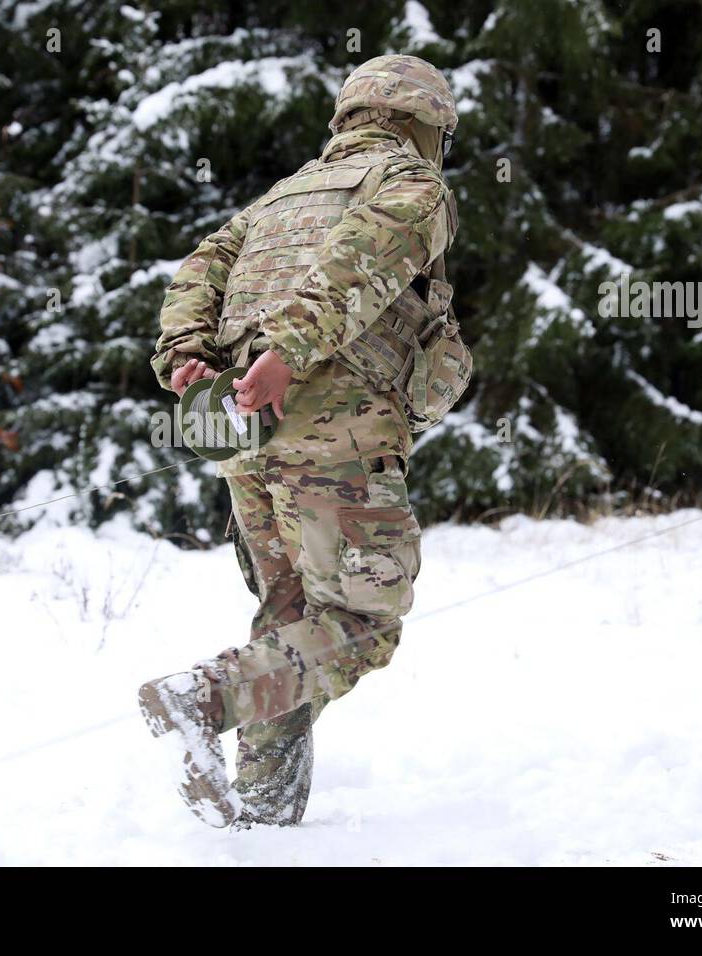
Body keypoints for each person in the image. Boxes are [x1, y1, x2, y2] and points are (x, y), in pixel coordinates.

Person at [140, 54, 461, 829]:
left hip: (247, 431)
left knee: (290, 622)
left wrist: (188, 353)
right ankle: (206, 695)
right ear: (425, 123)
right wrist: (290, 348)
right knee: (362, 621)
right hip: (335, 430)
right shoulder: (414, 185)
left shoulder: (276, 199)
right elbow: (364, 265)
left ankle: (263, 812)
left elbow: (198, 268)